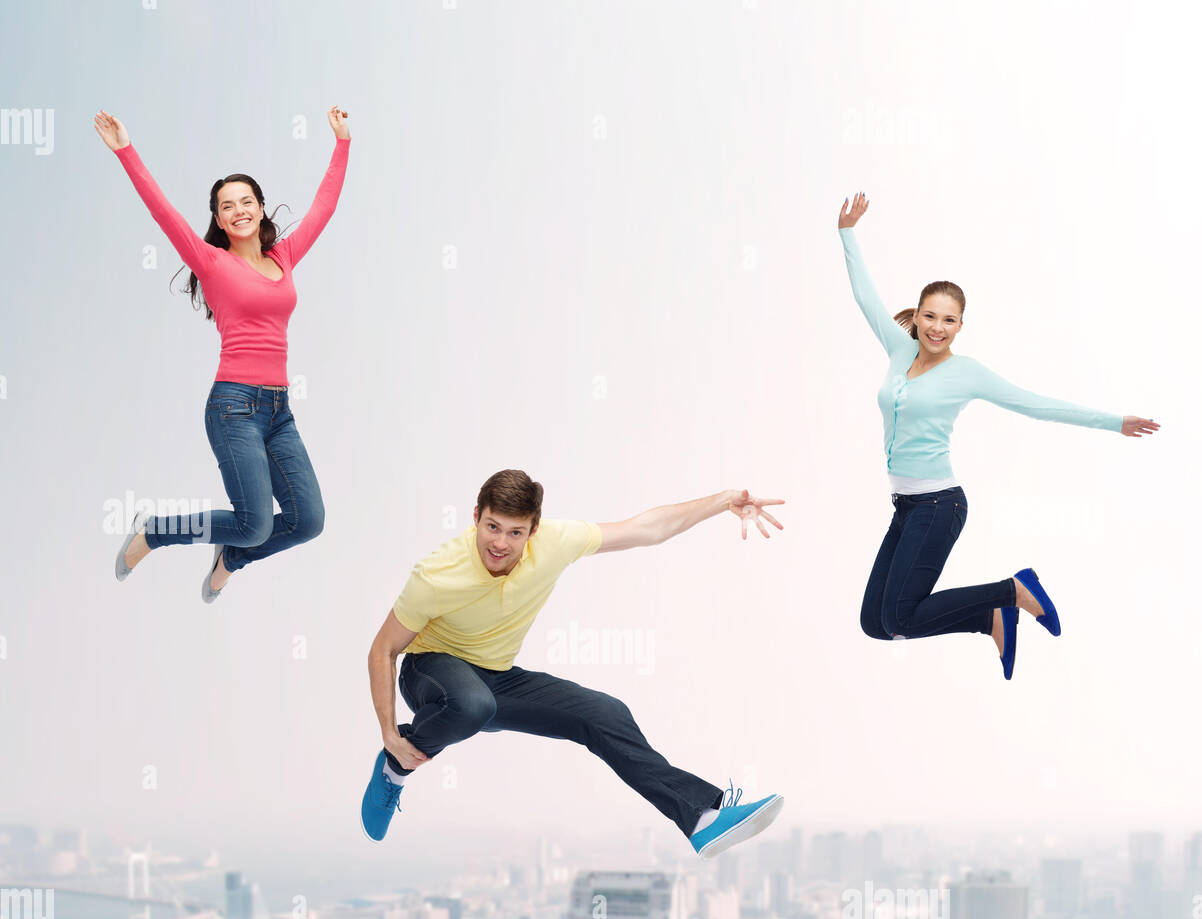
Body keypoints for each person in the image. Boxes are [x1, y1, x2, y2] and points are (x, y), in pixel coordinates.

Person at [362, 470, 786, 858]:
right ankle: (395, 765)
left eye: (515, 532)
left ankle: (700, 818)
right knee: (472, 704)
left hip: (497, 678)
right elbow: (383, 650)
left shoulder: (555, 542)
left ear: (534, 530)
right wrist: (389, 733)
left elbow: (646, 529)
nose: (500, 543)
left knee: (605, 713)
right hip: (430, 670)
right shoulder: (437, 574)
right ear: (476, 516)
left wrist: (725, 500)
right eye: (492, 526)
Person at [838, 192, 1158, 678]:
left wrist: (1114, 421)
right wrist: (847, 234)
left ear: (961, 325)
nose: (937, 328)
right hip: (905, 509)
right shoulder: (898, 351)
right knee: (876, 624)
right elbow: (866, 297)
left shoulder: (966, 373)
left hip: (939, 507)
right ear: (918, 316)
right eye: (929, 316)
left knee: (899, 615)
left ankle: (1013, 590)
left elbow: (1035, 404)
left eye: (949, 320)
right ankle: (991, 618)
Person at [96, 106, 351, 601]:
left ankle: (230, 556)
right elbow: (162, 212)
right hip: (233, 407)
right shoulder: (210, 262)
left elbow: (324, 207)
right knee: (254, 523)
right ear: (217, 218)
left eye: (246, 201)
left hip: (279, 411)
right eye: (226, 205)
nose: (238, 210)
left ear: (260, 208)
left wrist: (342, 142)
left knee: (308, 520)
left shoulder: (284, 256)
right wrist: (127, 151)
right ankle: (155, 530)